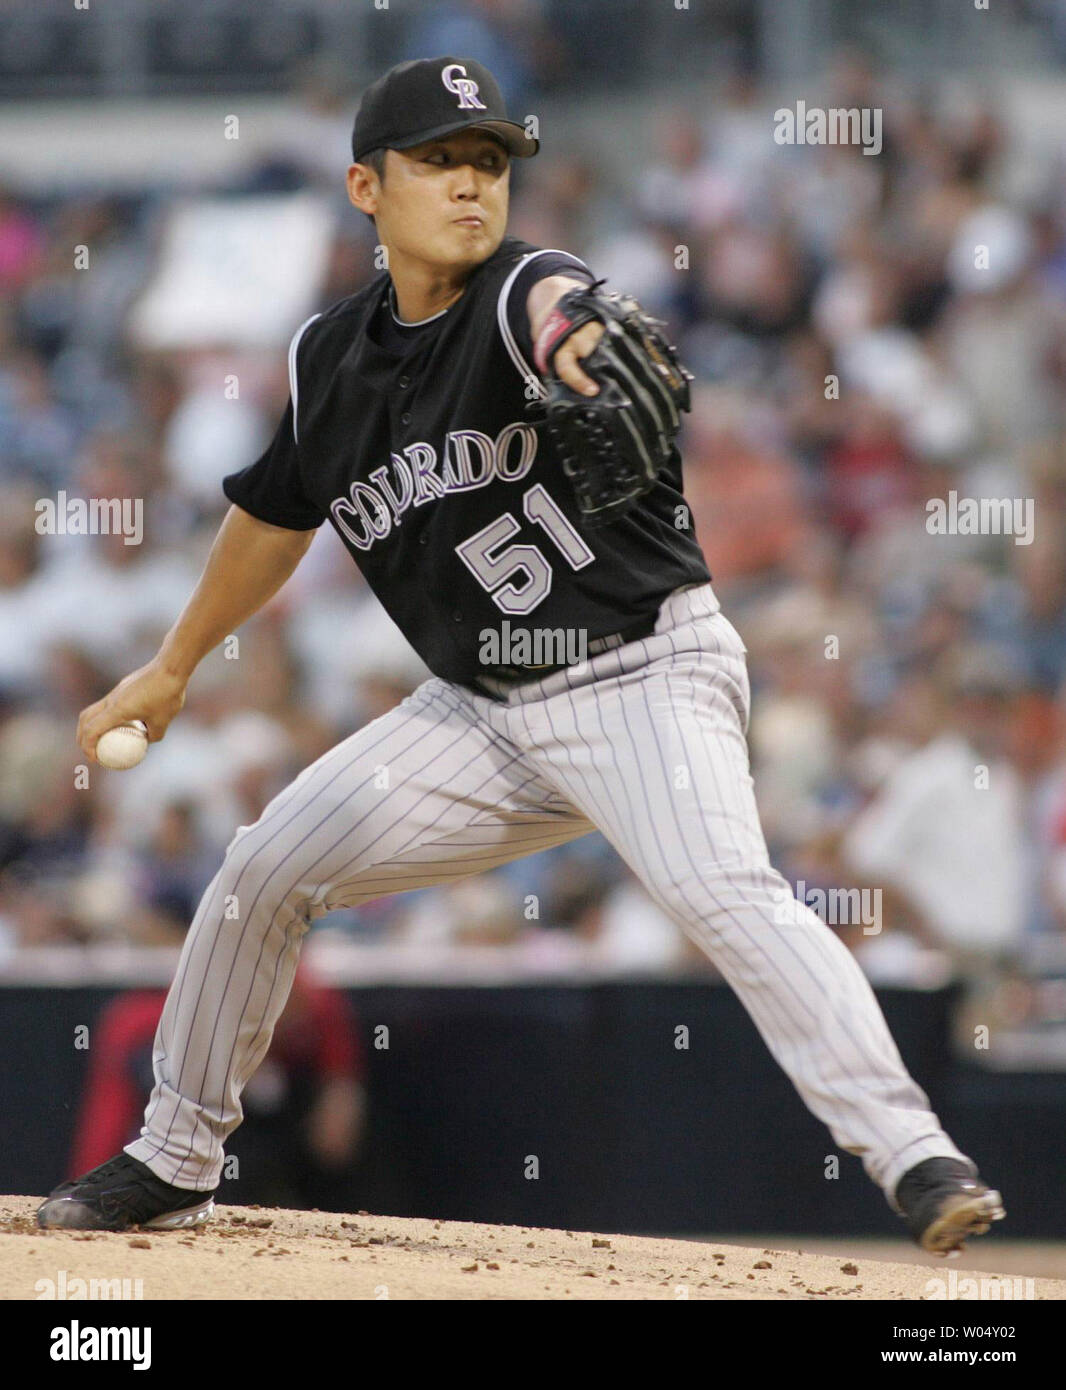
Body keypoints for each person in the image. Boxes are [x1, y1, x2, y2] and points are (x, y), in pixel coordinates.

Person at [37, 56, 1003, 1255]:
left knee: (722, 891)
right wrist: (175, 664)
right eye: (439, 160)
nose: (469, 185)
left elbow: (563, 322)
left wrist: (583, 359)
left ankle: (915, 1154)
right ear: (363, 185)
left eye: (488, 161)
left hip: (639, 675)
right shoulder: (325, 361)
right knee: (257, 873)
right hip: (477, 714)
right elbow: (273, 517)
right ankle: (175, 1156)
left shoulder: (526, 290)